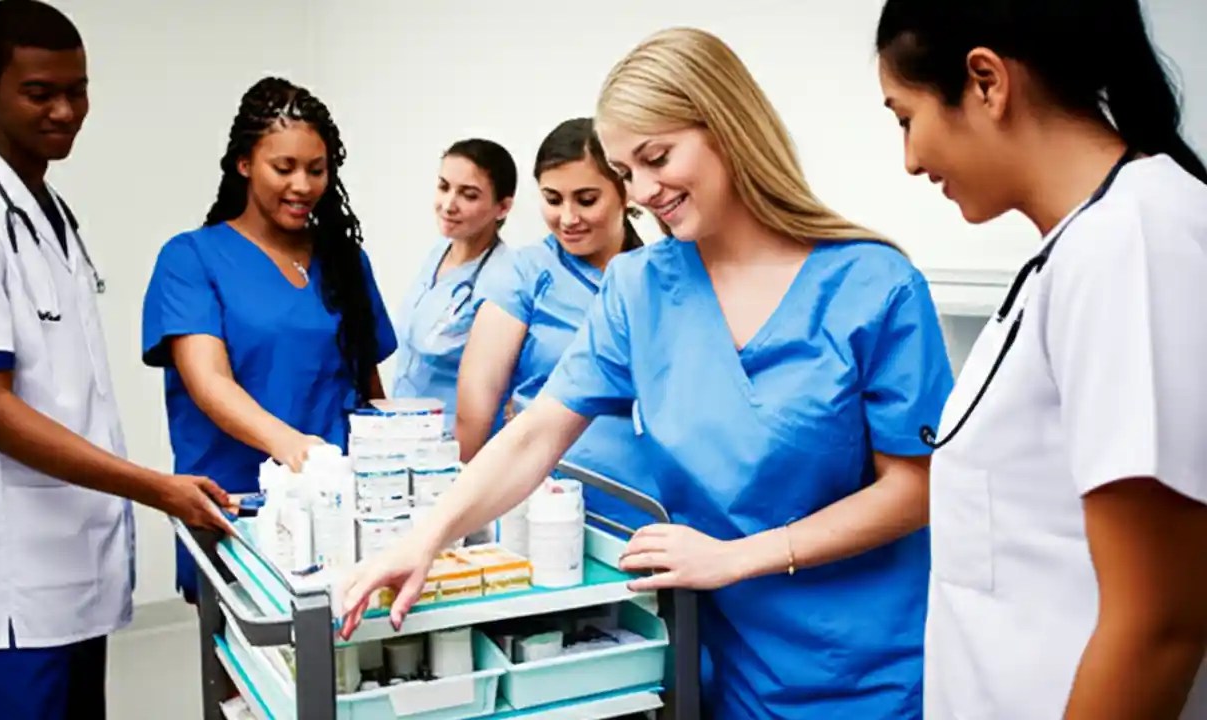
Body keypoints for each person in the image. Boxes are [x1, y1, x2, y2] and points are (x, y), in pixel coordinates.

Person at [340, 27, 954, 719]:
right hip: (719, 659)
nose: (641, 192)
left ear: (727, 124)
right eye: (627, 173)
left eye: (657, 158)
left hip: (860, 670)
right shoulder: (641, 288)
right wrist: (426, 536)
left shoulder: (873, 284)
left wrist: (739, 557)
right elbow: (538, 431)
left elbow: (916, 488)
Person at [876, 0, 1207, 717]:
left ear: (987, 82)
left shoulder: (1133, 241)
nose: (909, 160)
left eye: (906, 117)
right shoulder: (1080, 247)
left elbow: (1160, 624)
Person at [0, 2, 233, 717]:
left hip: (68, 569)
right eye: (40, 92)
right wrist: (154, 486)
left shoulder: (50, 210)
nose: (65, 110)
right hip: (4, 582)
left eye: (78, 89)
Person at [142, 77, 397, 603]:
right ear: (243, 164)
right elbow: (208, 381)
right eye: (283, 168)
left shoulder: (345, 264)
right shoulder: (191, 259)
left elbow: (366, 386)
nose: (302, 185)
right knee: (250, 679)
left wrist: (393, 471)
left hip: (339, 515)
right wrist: (295, 449)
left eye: (316, 169)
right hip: (236, 511)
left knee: (347, 674)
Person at [455, 117, 661, 534]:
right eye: (553, 199)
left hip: (649, 510)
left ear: (625, 191)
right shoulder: (526, 273)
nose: (568, 217)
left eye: (586, 200)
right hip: (549, 512)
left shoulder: (659, 275)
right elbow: (475, 412)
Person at [392, 138, 516, 432]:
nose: (448, 205)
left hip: (454, 448)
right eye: (444, 186)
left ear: (503, 207)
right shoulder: (439, 252)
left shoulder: (503, 279)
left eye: (469, 195)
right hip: (403, 434)